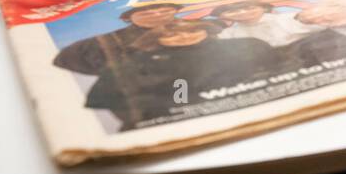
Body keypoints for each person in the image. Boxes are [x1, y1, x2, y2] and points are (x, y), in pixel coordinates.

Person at [84, 20, 274, 130]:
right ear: (157, 40)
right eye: (172, 35)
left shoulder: (247, 45)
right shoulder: (137, 63)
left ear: (206, 31)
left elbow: (277, 67)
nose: (184, 36)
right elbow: (111, 97)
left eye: (192, 30)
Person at [53, 2, 185, 77]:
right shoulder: (104, 40)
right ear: (129, 18)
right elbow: (65, 59)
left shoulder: (198, 28)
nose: (156, 14)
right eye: (146, 13)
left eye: (165, 11)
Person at [213, 1, 314, 47]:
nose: (242, 13)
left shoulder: (290, 18)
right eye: (232, 11)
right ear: (222, 16)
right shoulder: (227, 34)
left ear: (264, 8)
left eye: (249, 8)